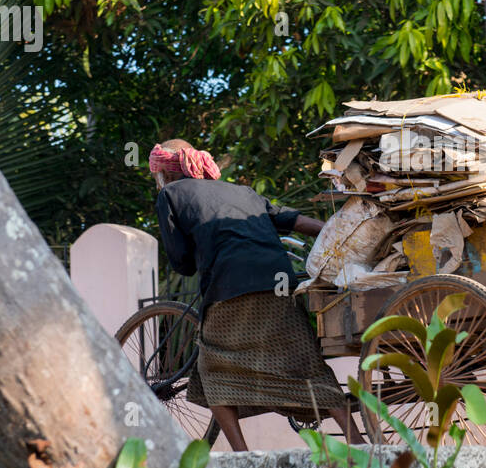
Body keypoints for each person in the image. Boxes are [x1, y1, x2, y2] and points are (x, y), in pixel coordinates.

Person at [150, 139, 363, 450]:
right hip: (278, 283)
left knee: (213, 370)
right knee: (307, 364)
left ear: (166, 174)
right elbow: (294, 221)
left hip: (228, 286)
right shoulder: (241, 191)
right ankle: (357, 440)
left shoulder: (170, 194)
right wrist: (342, 232)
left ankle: (241, 454)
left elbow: (181, 261)